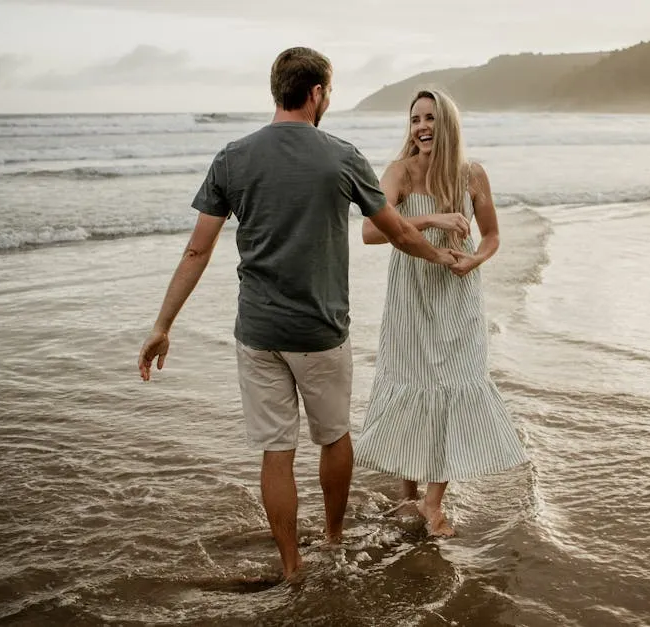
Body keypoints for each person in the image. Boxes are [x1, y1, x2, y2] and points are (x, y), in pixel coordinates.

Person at [137, 48, 456, 581]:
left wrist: (162, 325)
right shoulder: (342, 156)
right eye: (328, 92)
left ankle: (291, 566)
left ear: (277, 91)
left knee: (276, 454)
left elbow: (197, 251)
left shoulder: (232, 158)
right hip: (321, 332)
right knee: (333, 438)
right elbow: (397, 231)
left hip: (258, 333)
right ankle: (332, 539)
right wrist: (442, 255)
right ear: (316, 94)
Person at [354, 89, 529, 537]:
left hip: (457, 289)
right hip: (412, 292)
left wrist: (476, 260)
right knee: (411, 382)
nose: (421, 127)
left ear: (447, 123)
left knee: (452, 385)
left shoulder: (472, 174)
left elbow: (490, 236)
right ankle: (407, 495)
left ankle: (433, 504)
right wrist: (433, 219)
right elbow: (372, 232)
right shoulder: (400, 172)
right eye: (415, 120)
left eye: (430, 118)